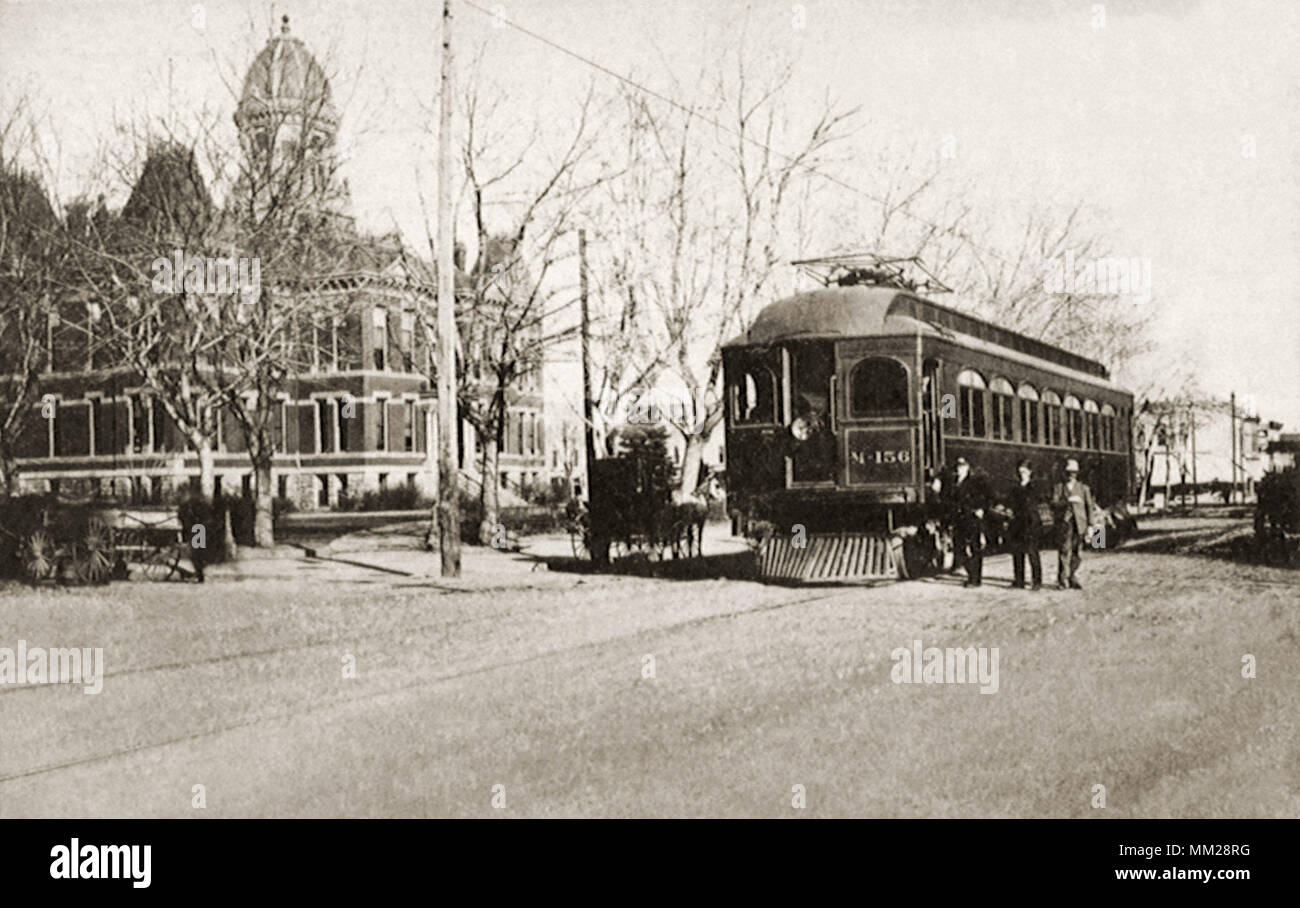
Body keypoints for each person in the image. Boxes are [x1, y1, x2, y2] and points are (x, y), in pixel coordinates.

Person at [945, 456, 990, 587]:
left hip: (972, 518)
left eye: (963, 467)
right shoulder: (954, 482)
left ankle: (975, 579)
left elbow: (986, 496)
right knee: (959, 549)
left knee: (975, 548)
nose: (960, 469)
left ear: (967, 467)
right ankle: (972, 573)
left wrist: (981, 508)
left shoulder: (975, 482)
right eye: (958, 467)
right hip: (959, 519)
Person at [1051, 458, 1096, 590]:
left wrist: (1091, 526)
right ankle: (1062, 580)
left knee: (1077, 552)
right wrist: (1067, 501)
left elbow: (1089, 507)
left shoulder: (1083, 488)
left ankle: (1072, 576)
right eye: (1069, 472)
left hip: (1080, 524)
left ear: (1077, 474)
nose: (1071, 475)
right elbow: (1053, 504)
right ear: (1065, 473)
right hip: (1065, 523)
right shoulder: (1059, 488)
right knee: (1064, 551)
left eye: (1074, 473)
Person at [1007, 459, 1044, 590]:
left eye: (1024, 471)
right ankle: (1019, 580)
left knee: (1032, 552)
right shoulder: (1016, 487)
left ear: (1030, 472)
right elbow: (1011, 503)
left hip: (1030, 523)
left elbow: (1034, 504)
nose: (1021, 474)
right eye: (1020, 472)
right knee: (1017, 552)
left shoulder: (1034, 486)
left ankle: (1037, 581)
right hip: (1017, 523)